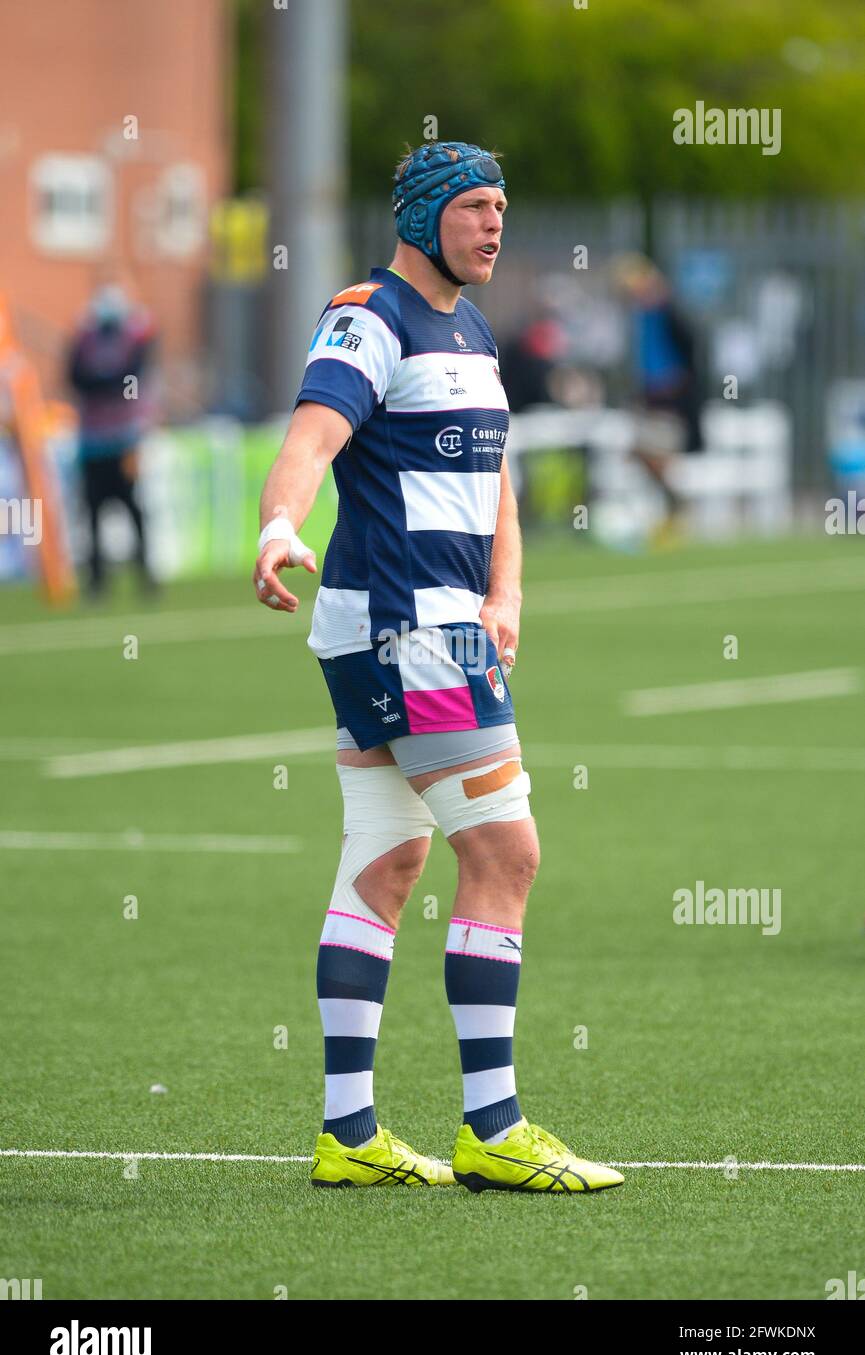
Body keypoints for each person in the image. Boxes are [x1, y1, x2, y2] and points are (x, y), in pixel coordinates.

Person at [254, 140, 624, 1195]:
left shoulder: (469, 325)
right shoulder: (369, 315)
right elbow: (311, 439)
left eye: (501, 206)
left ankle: (348, 1133)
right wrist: (280, 522)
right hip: (405, 626)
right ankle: (493, 1127)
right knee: (506, 854)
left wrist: (505, 592)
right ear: (421, 217)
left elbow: (495, 474)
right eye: (472, 207)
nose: (494, 224)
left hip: (434, 621)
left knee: (387, 859)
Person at [67, 283, 157, 596]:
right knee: (92, 511)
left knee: (133, 507)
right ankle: (96, 579)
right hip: (92, 442)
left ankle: (145, 573)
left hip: (123, 440)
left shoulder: (130, 340)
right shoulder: (84, 341)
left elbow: (133, 372)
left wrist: (105, 380)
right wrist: (107, 379)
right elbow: (77, 378)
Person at [613, 254, 704, 544]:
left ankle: (673, 513)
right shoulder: (642, 317)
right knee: (642, 455)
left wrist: (677, 390)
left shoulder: (669, 314)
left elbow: (690, 355)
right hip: (650, 400)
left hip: (669, 403)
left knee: (655, 456)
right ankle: (669, 514)